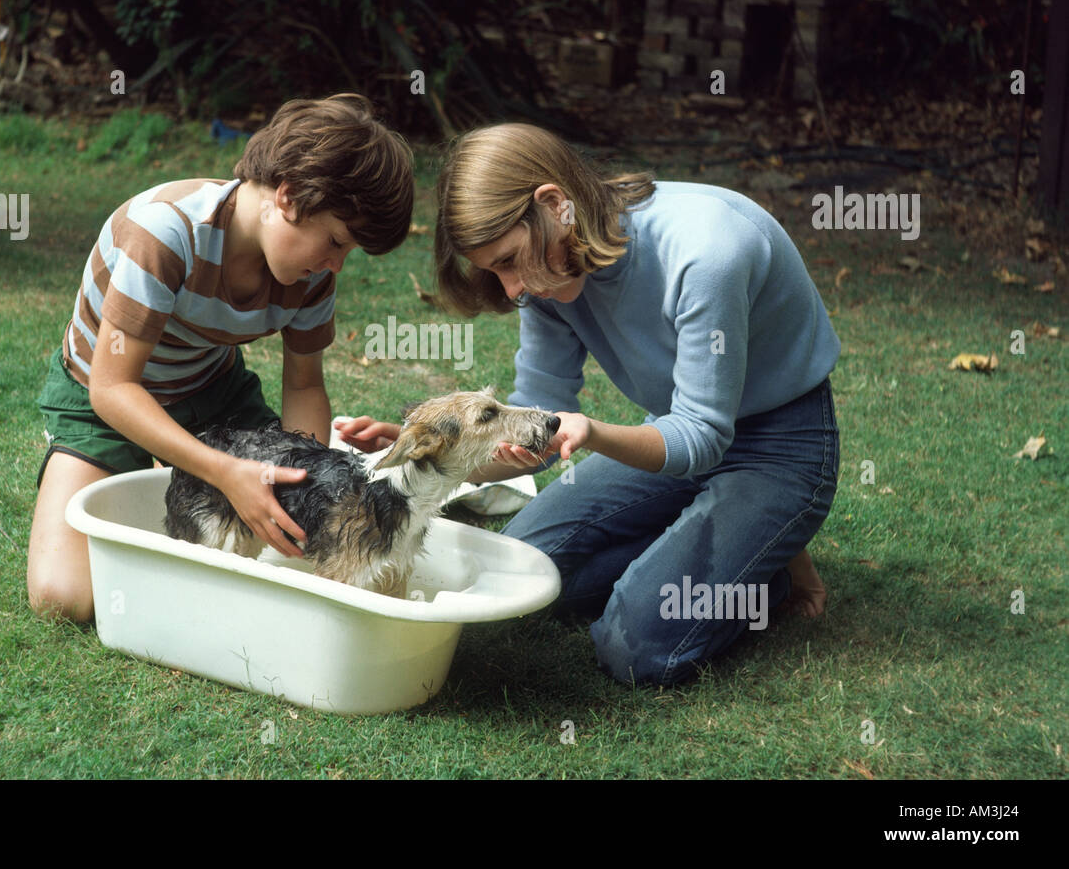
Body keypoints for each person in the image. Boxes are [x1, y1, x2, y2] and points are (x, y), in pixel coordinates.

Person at [335, 122, 839, 687]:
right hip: (674, 431)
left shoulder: (708, 253)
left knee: (638, 647)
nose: (510, 290)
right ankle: (715, 536)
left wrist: (593, 433)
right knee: (522, 575)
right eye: (496, 270)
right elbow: (537, 431)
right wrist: (430, 451)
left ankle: (764, 567)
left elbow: (702, 436)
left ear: (554, 204)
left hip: (780, 446)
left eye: (507, 260)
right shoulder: (547, 274)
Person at [28, 94, 413, 622]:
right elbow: (112, 388)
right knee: (61, 599)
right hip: (104, 400)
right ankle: (147, 464)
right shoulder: (163, 234)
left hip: (211, 393)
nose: (337, 266)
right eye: (336, 242)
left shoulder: (312, 273)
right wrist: (225, 472)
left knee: (293, 545)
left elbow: (303, 386)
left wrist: (312, 479)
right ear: (290, 196)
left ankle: (183, 466)